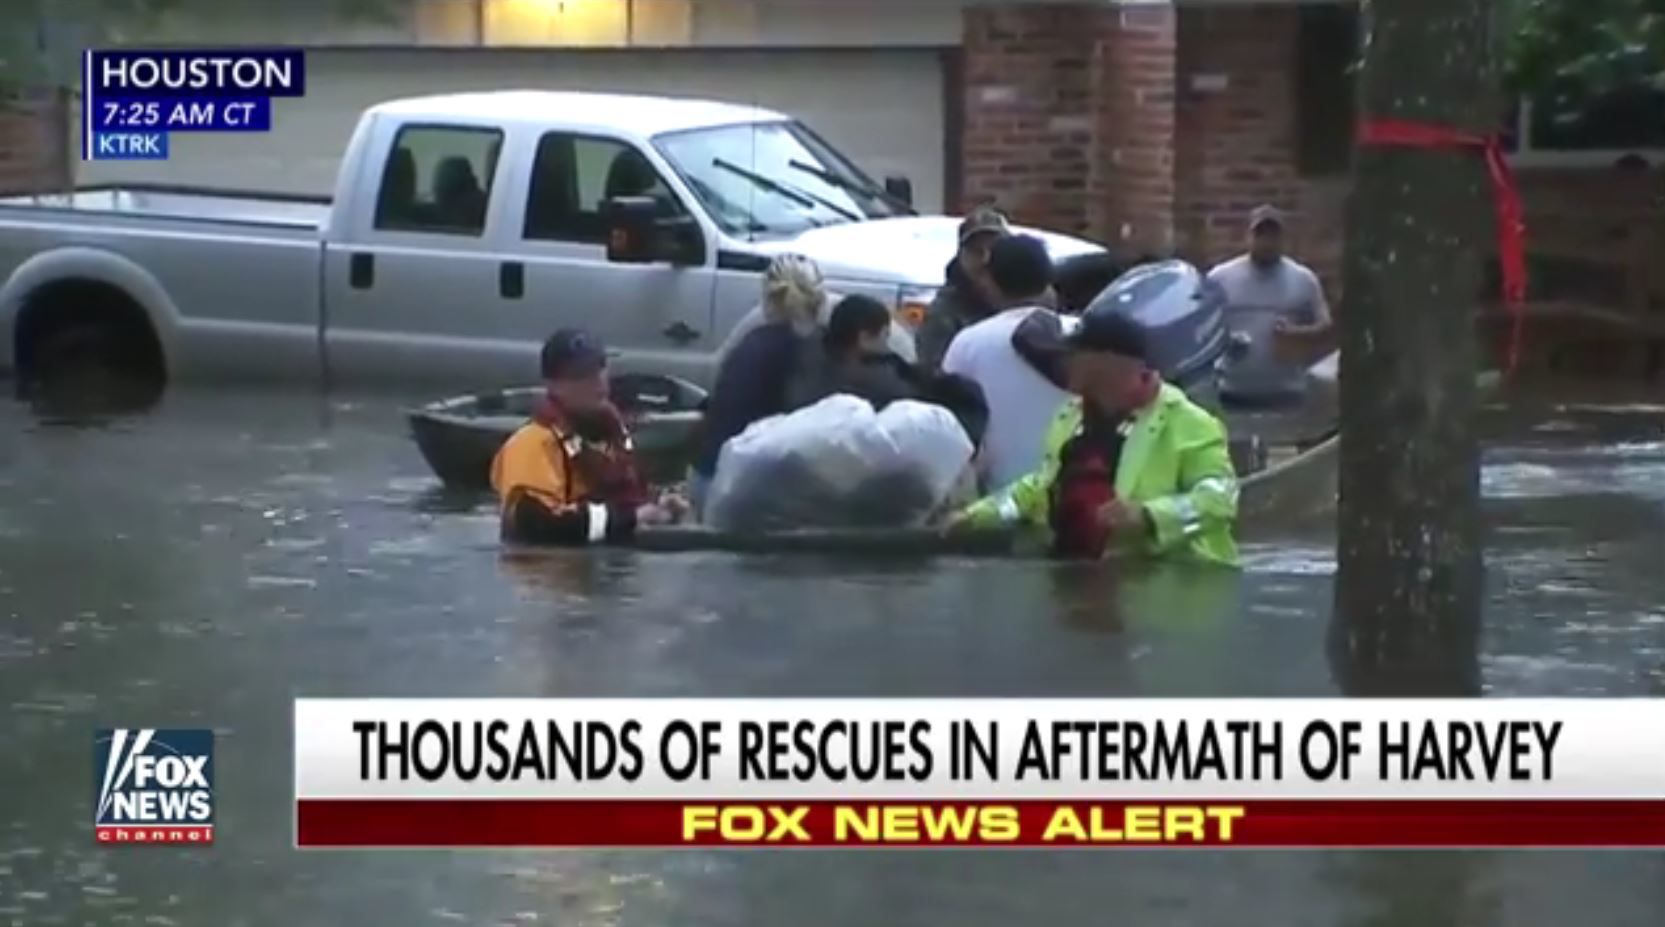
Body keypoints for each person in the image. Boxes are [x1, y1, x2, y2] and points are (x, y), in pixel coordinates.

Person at [945, 305, 1239, 567]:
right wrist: (976, 515)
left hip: (1169, 586)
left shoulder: (1190, 422)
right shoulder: (1070, 416)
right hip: (1077, 580)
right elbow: (1039, 487)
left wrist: (1149, 517)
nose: (1061, 362)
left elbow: (1220, 498)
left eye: (1072, 354)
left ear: (1108, 362)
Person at [491, 329, 687, 546]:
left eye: (600, 367)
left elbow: (626, 495)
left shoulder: (612, 436)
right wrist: (633, 518)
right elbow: (535, 524)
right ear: (553, 385)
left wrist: (660, 504)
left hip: (603, 570)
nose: (597, 381)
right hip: (548, 575)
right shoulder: (530, 445)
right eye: (580, 374)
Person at [690, 255, 826, 516]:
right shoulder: (815, 351)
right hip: (743, 488)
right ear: (820, 301)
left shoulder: (751, 342)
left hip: (710, 476)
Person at [940, 233, 1074, 492]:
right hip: (1074, 493)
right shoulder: (1085, 336)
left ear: (990, 283)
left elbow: (950, 426)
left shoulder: (968, 343)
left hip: (996, 498)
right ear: (1048, 282)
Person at [1208, 205, 1333, 407]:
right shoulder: (1220, 278)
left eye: (1273, 236)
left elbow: (1325, 327)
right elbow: (1202, 326)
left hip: (1287, 390)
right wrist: (1224, 340)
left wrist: (1297, 334)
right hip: (1232, 389)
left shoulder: (1303, 279)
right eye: (1260, 235)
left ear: (1283, 239)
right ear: (1247, 237)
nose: (1267, 243)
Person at [915, 205, 1011, 374]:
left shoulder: (1020, 298)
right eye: (976, 251)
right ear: (961, 255)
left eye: (995, 250)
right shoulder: (944, 313)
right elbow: (933, 374)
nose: (985, 259)